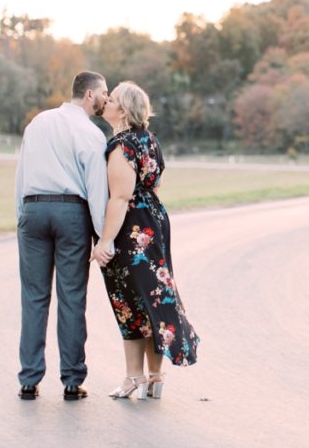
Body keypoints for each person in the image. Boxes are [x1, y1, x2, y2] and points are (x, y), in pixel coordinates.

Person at [92, 81, 199, 399]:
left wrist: (105, 241)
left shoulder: (121, 145)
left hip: (132, 228)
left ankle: (133, 377)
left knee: (129, 302)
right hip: (154, 220)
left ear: (122, 110)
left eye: (110, 100)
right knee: (153, 295)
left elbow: (121, 197)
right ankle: (154, 377)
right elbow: (156, 183)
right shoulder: (149, 140)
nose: (105, 104)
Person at [14, 71, 110, 401]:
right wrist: (101, 235)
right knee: (71, 297)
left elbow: (21, 173)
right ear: (88, 95)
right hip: (72, 213)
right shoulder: (91, 133)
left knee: (33, 296)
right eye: (103, 93)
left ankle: (29, 379)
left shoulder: (38, 123)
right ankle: (71, 380)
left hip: (34, 209)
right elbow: (97, 188)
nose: (105, 100)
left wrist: (21, 217)